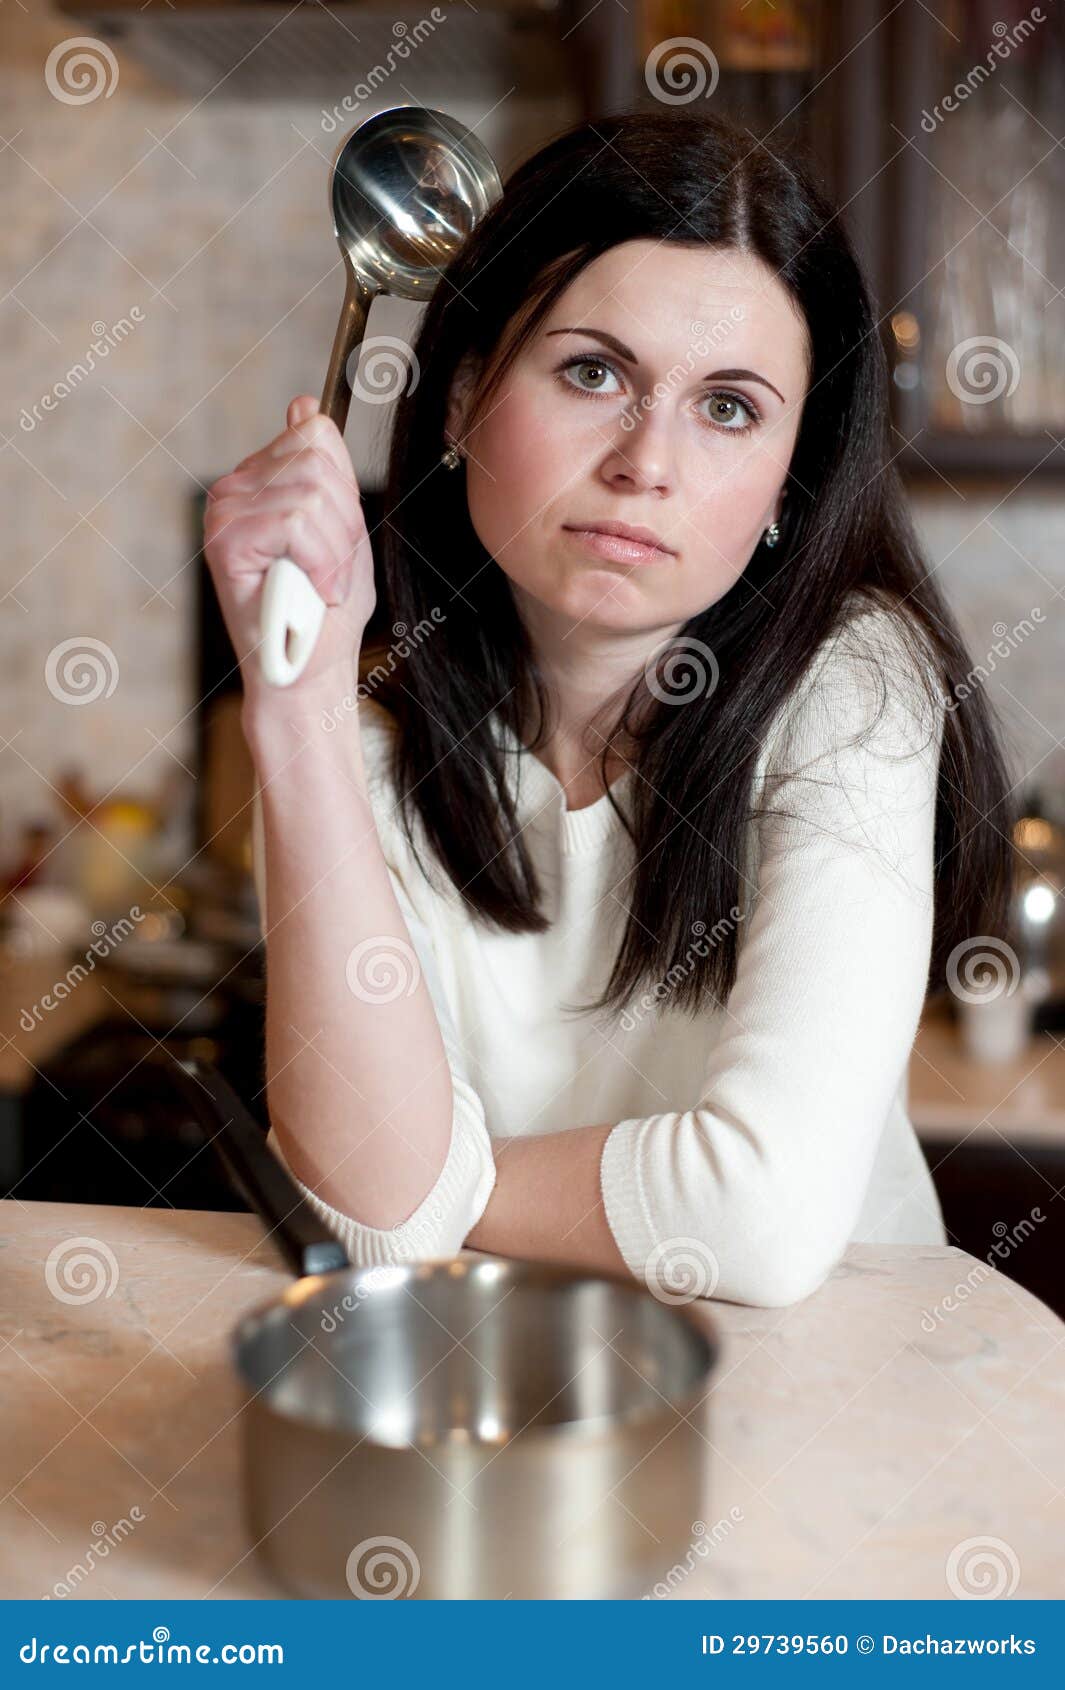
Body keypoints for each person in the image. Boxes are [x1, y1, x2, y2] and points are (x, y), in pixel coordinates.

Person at [203, 108, 1014, 1307]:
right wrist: (294, 710)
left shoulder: (856, 683)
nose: (648, 462)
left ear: (790, 482)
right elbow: (368, 1220)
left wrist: (441, 1193)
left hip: (829, 1391)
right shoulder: (361, 735)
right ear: (465, 395)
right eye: (593, 372)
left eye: (728, 407)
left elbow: (764, 1217)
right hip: (505, 1382)